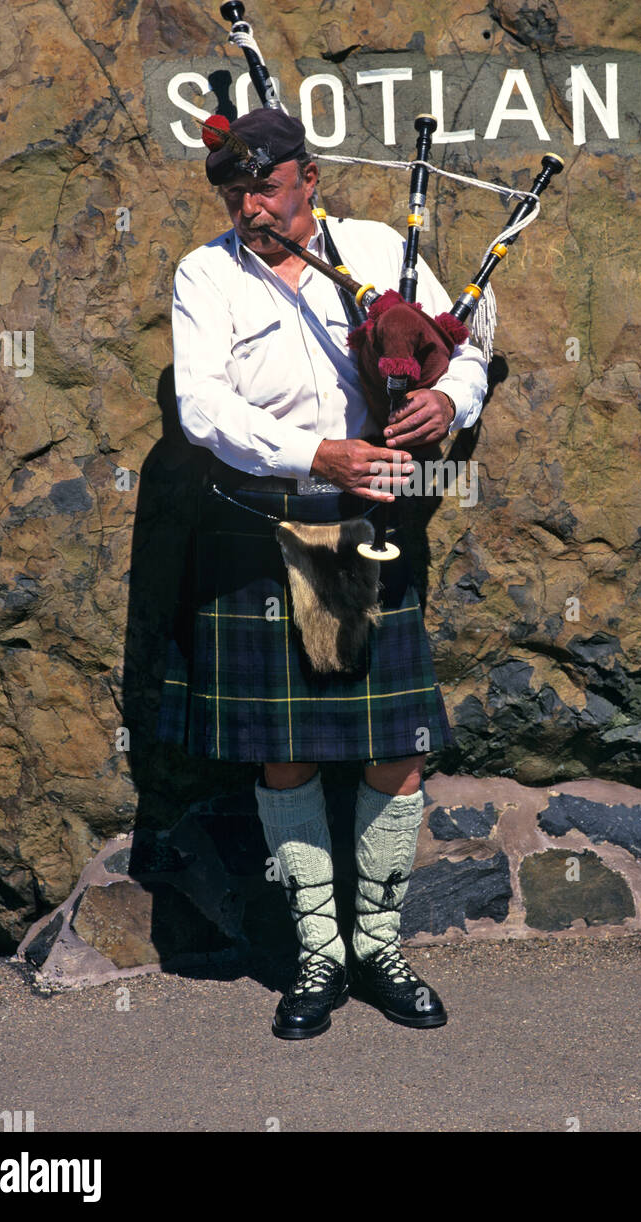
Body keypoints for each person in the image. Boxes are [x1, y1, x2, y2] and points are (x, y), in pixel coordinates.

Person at [157, 106, 488, 1039]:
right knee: (286, 746)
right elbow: (203, 408)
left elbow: (469, 343)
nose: (248, 208)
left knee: (398, 746)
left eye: (262, 187)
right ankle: (319, 953)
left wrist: (445, 402)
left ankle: (378, 944)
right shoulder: (206, 273)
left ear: (311, 178)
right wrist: (317, 453)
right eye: (232, 193)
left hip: (375, 523)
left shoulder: (379, 248)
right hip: (269, 524)